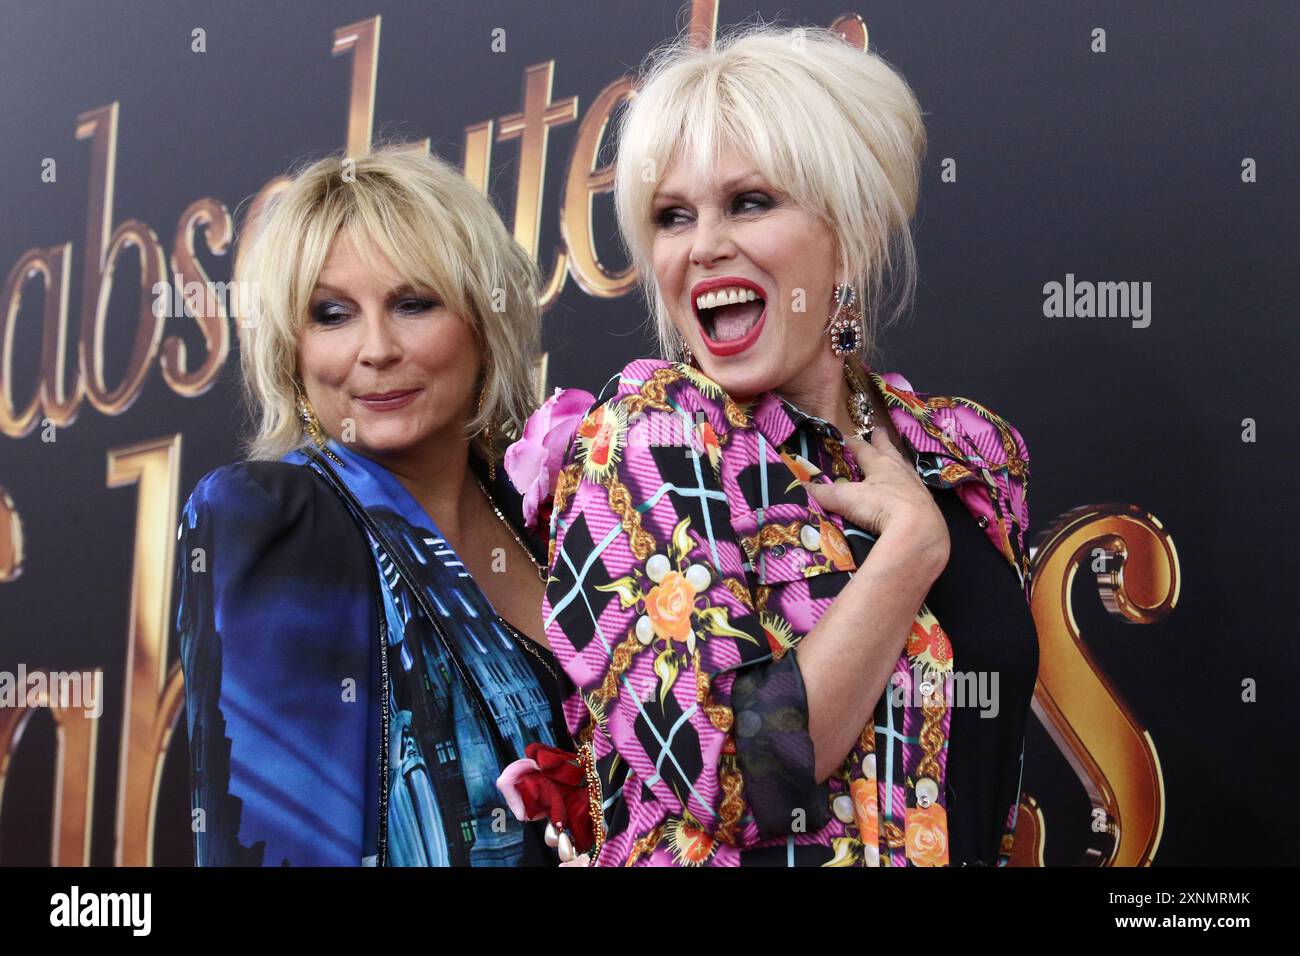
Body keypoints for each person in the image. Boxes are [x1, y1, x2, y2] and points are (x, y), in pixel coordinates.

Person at [511, 22, 1038, 866]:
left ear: (851, 235)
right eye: (672, 217)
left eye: (750, 202)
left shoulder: (965, 452)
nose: (704, 244)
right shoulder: (648, 435)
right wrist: (907, 555)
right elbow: (729, 780)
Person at [173, 144, 572, 866]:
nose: (377, 348)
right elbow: (278, 844)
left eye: (413, 304)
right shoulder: (274, 519)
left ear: (484, 326)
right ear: (291, 354)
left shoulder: (555, 514)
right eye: (331, 314)